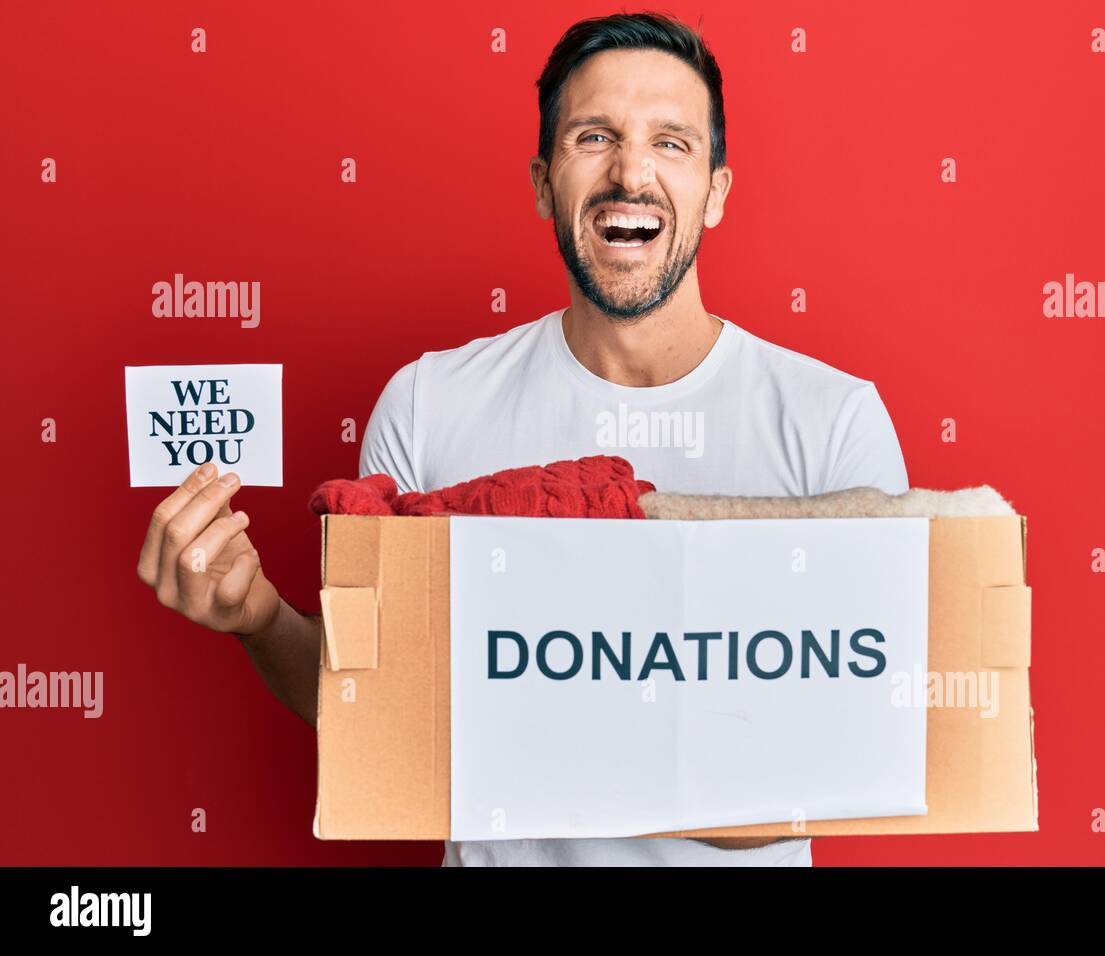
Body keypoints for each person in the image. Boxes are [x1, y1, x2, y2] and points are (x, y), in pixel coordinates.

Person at [136, 12, 908, 867]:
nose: (631, 172)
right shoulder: (428, 405)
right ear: (544, 183)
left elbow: (855, 743)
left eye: (672, 142)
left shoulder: (832, 423)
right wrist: (257, 619)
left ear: (717, 191)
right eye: (594, 135)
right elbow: (378, 697)